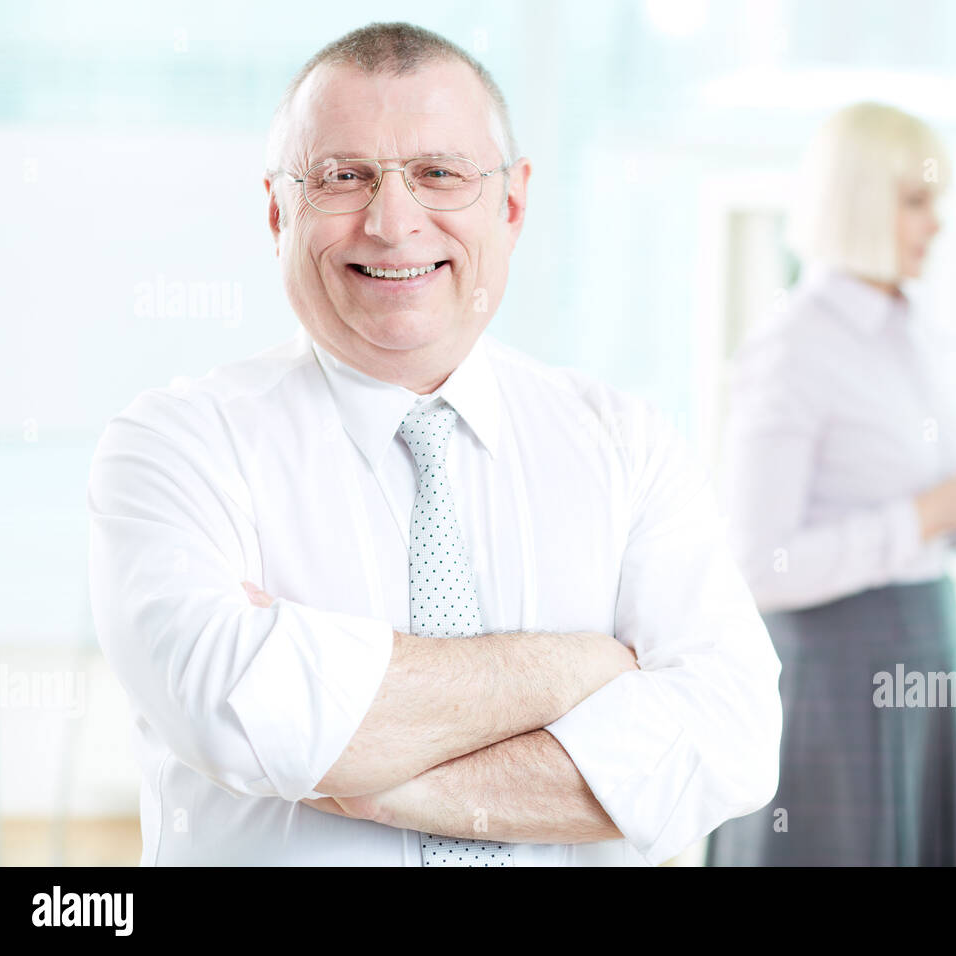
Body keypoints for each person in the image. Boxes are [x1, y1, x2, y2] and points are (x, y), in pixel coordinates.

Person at [87, 22, 782, 867]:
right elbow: (231, 709)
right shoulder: (176, 447)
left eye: (438, 174)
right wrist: (576, 673)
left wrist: (375, 774)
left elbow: (732, 738)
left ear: (512, 203)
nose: (392, 221)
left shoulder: (625, 447)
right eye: (343, 177)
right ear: (278, 210)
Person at [705, 102, 956, 867]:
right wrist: (930, 514)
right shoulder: (793, 346)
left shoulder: (910, 332)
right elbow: (760, 565)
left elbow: (920, 498)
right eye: (918, 202)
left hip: (927, 646)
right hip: (838, 669)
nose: (937, 224)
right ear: (859, 200)